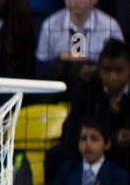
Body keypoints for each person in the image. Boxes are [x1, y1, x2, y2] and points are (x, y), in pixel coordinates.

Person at [50, 37, 130, 176]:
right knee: (55, 156)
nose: (112, 77)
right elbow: (70, 130)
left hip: (124, 160)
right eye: (106, 70)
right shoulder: (89, 91)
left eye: (118, 70)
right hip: (93, 157)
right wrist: (110, 138)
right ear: (99, 69)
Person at [36, 0, 124, 81]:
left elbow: (120, 65)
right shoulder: (50, 24)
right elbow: (41, 66)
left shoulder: (110, 25)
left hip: (96, 82)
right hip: (61, 80)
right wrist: (60, 58)